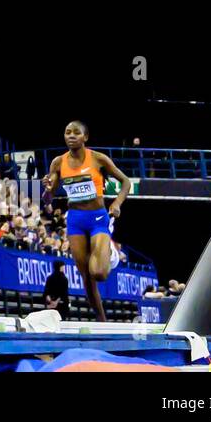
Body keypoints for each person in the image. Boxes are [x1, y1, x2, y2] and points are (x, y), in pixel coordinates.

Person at [42, 120, 131, 322]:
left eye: (76, 133)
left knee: (99, 273)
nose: (71, 136)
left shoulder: (98, 159)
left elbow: (125, 182)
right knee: (88, 279)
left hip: (98, 218)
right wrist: (47, 190)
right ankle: (102, 322)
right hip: (75, 221)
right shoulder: (58, 163)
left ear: (85, 137)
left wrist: (117, 203)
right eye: (67, 132)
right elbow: (48, 199)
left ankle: (110, 253)